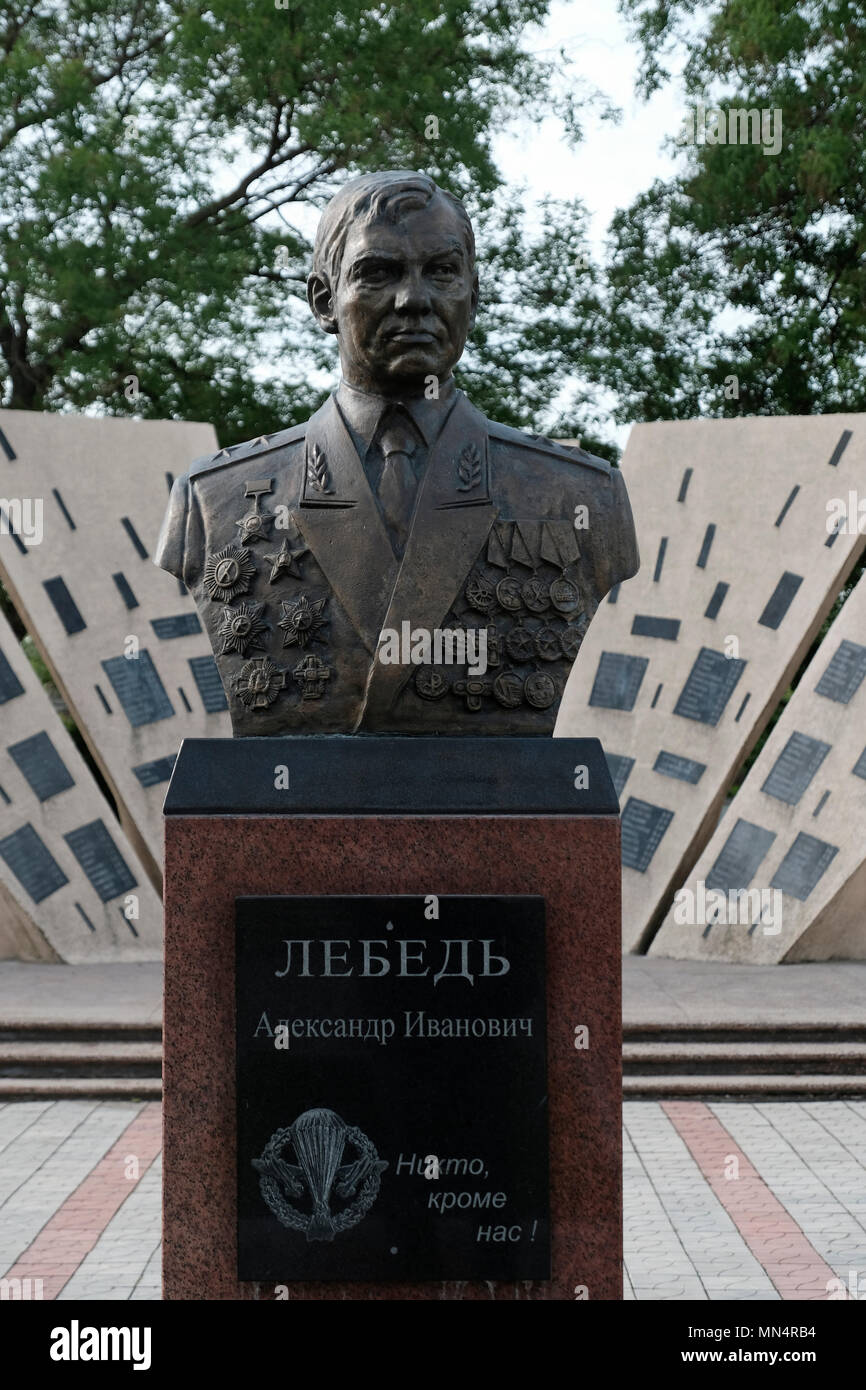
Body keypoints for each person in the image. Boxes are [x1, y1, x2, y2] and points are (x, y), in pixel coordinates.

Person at [155, 170, 639, 734]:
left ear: (473, 297)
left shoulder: (580, 496)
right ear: (323, 301)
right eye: (378, 273)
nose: (414, 299)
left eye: (441, 272)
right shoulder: (213, 500)